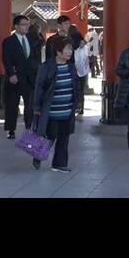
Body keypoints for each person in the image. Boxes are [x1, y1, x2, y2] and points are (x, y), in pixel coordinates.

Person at [31, 37, 78, 172]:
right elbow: (39, 88)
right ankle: (38, 154)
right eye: (67, 49)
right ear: (58, 51)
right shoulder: (46, 67)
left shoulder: (71, 67)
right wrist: (37, 107)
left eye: (71, 49)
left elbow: (76, 86)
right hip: (51, 111)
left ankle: (59, 164)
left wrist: (77, 102)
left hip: (67, 110)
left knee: (64, 137)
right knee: (50, 136)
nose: (70, 52)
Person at [2, 15, 38, 140]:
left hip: (29, 77)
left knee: (30, 104)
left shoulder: (31, 39)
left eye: (28, 24)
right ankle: (11, 130)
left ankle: (29, 127)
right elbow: (6, 59)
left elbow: (34, 57)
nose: (26, 27)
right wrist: (11, 74)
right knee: (12, 104)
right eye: (23, 24)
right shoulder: (8, 41)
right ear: (16, 26)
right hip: (15, 77)